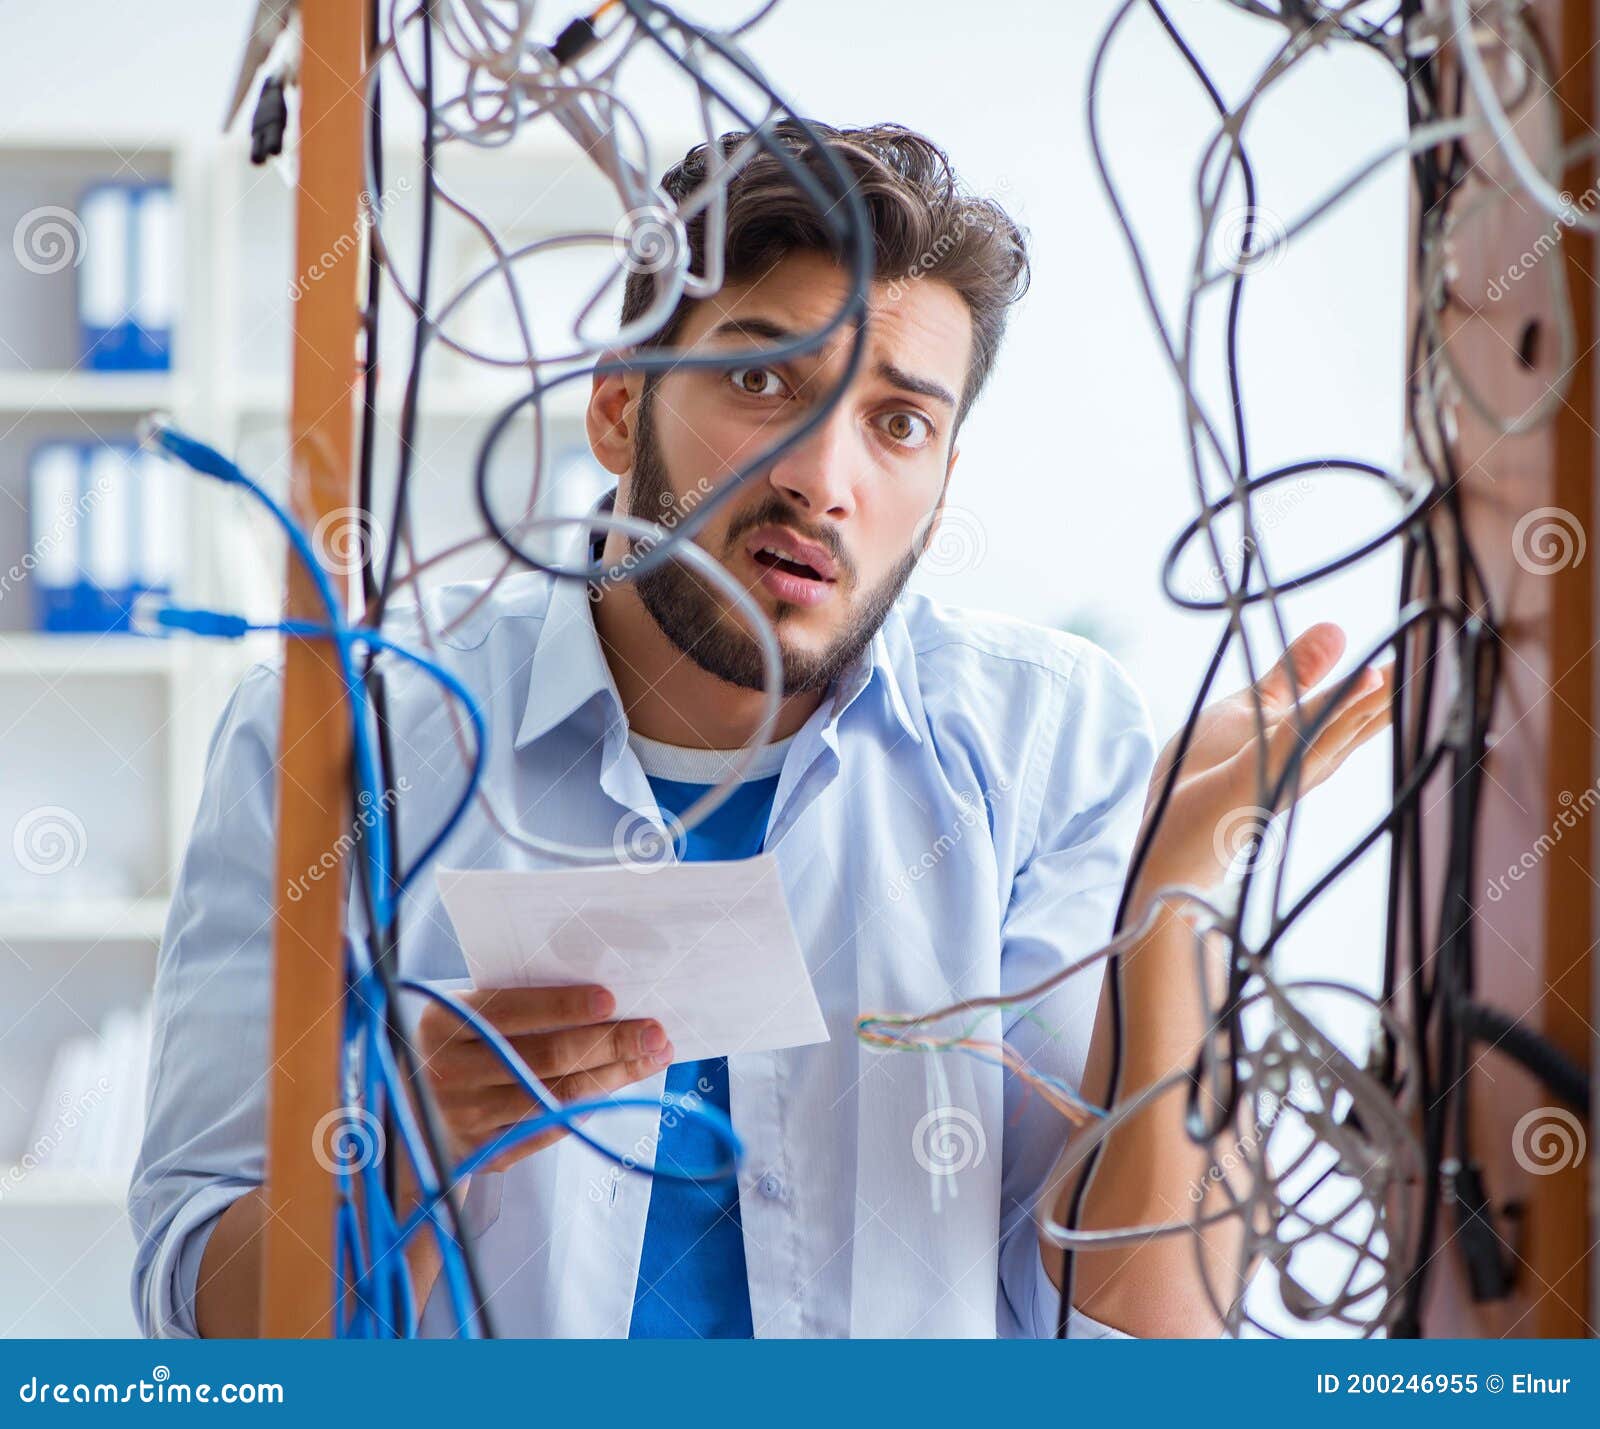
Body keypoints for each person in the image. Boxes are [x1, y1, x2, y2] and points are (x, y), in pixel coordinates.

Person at [129, 120, 1392, 1339]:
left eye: (899, 421)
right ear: (619, 406)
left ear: (943, 476)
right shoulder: (356, 733)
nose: (821, 476)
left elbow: (1155, 1306)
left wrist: (1174, 885)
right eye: (757, 378)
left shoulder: (1050, 740)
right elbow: (209, 1312)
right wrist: (410, 1149)